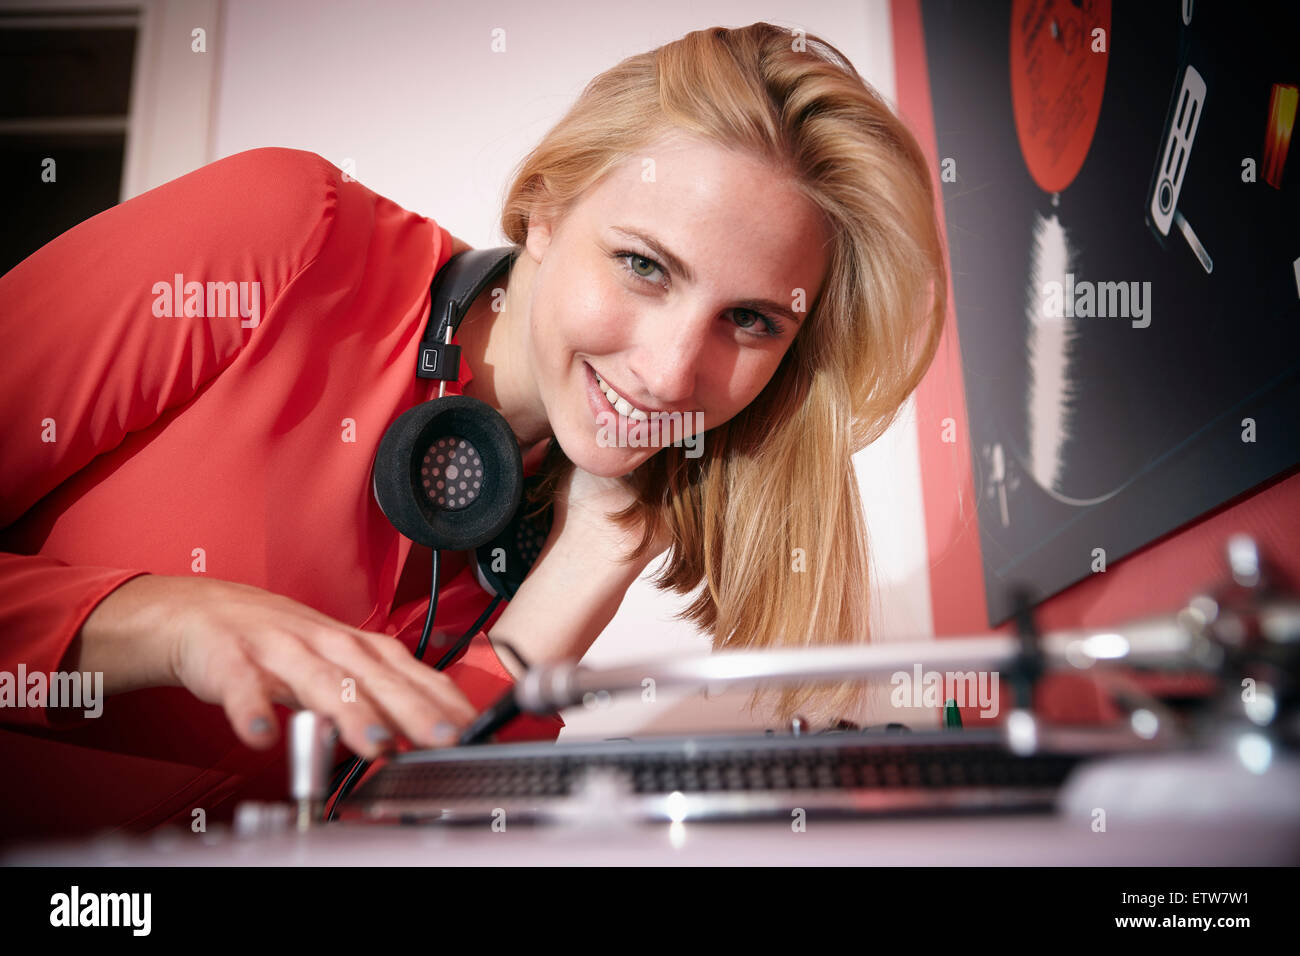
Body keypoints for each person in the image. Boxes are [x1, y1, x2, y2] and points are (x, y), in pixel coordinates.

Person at [0, 22, 947, 841]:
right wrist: (163, 620)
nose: (668, 373)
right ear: (544, 207)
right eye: (643, 266)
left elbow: (388, 835)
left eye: (750, 321)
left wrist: (586, 568)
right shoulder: (283, 232)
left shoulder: (578, 505)